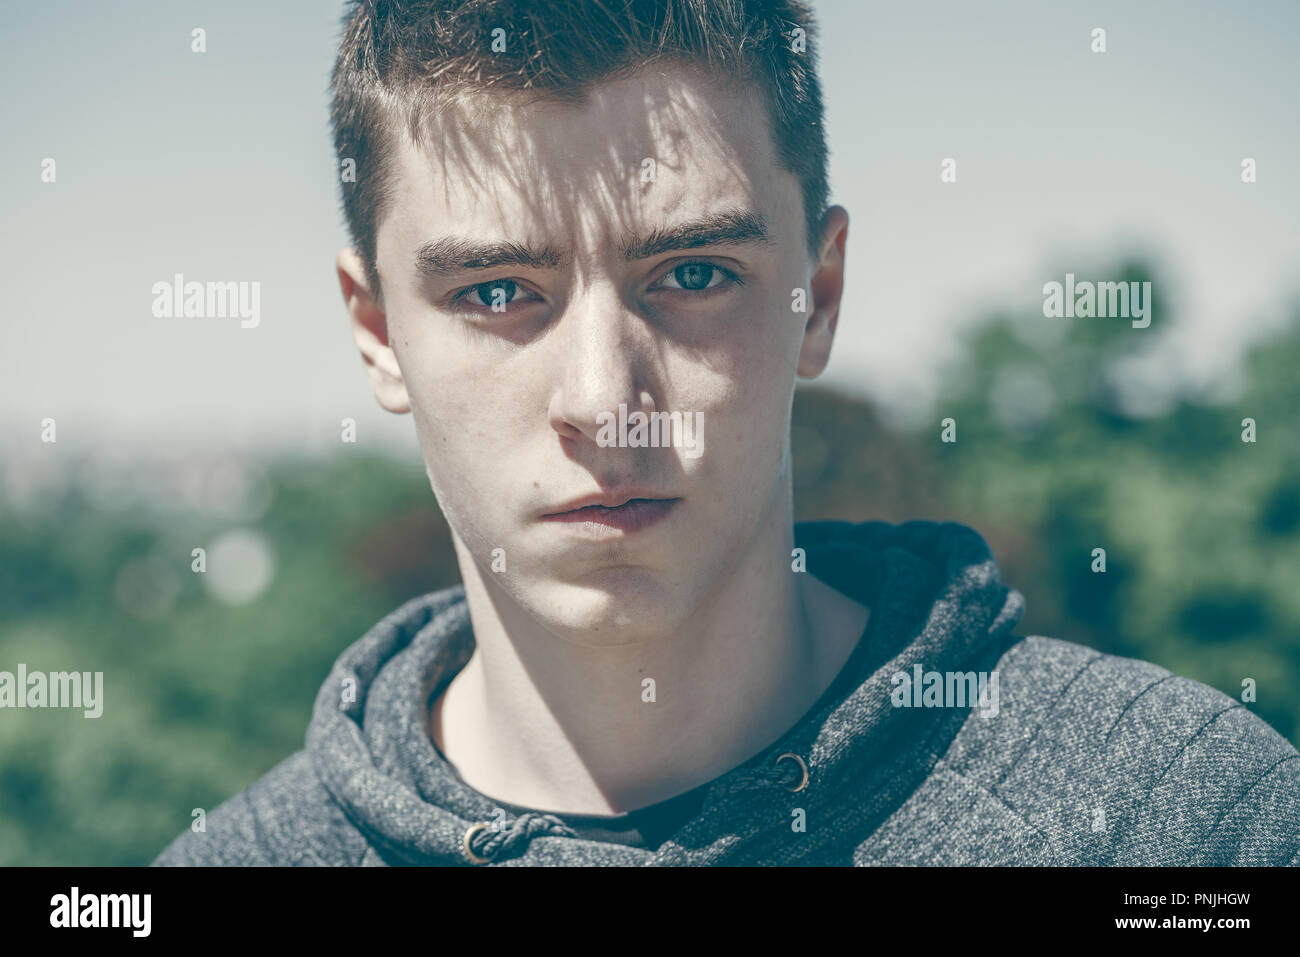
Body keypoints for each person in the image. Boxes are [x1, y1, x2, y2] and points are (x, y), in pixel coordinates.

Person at [153, 0, 1300, 866]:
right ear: (376, 331)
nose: (605, 400)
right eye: (498, 290)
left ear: (822, 292)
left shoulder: (1179, 825)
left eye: (692, 272)